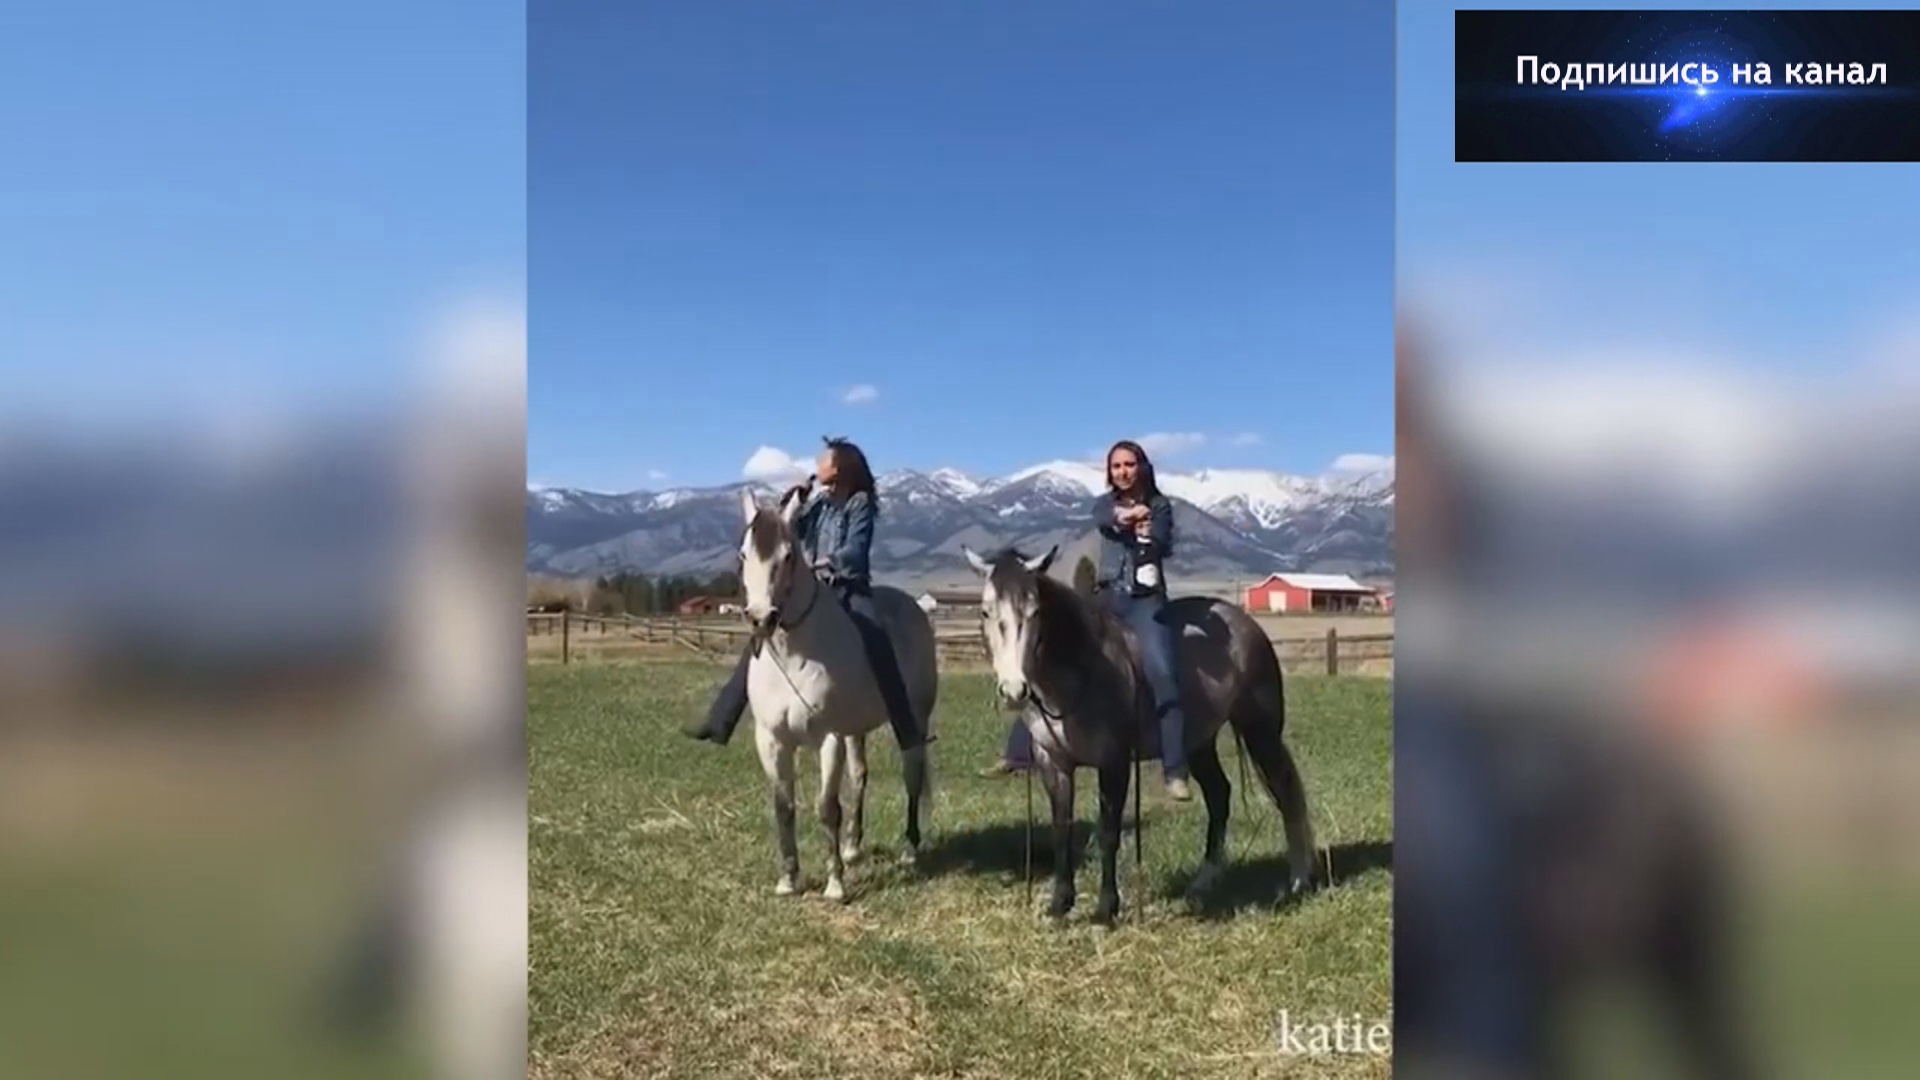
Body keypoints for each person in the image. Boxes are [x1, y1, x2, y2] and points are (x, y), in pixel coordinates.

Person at [684, 436, 930, 755]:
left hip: (848, 586)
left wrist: (829, 561)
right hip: (814, 587)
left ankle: (906, 728)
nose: (816, 466)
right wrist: (795, 498)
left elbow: (856, 548)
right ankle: (721, 720)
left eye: (822, 462)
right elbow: (791, 531)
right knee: (759, 642)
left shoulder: (859, 503)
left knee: (877, 639)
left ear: (839, 468)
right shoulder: (820, 504)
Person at [984, 440, 1190, 798]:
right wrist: (1123, 517)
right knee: (1045, 660)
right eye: (1116, 466)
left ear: (1142, 467)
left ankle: (1174, 767)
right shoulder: (1105, 505)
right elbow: (1103, 517)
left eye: (1129, 465)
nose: (1123, 472)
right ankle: (1019, 752)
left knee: (1161, 669)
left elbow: (1162, 541)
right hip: (1106, 596)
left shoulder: (1160, 506)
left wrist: (1147, 534)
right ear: (1109, 472)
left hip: (1145, 601)